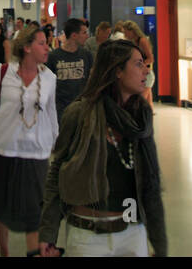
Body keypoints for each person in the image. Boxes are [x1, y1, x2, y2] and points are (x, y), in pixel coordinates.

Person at [39, 40, 166, 256]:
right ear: (118, 71)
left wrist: (159, 244)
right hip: (87, 235)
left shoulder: (141, 118)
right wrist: (48, 233)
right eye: (138, 64)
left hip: (132, 231)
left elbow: (151, 185)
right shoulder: (79, 113)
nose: (146, 70)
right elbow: (56, 175)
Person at [0, 25, 59, 256]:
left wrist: (57, 145)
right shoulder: (3, 71)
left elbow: (51, 114)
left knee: (35, 213)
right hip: (1, 148)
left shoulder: (49, 78)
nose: (47, 47)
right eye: (41, 43)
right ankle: (4, 250)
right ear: (26, 47)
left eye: (47, 43)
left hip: (35, 153)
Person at [46, 18, 93, 123]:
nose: (87, 36)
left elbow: (91, 78)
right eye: (84, 33)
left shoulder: (86, 55)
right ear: (74, 35)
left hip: (81, 108)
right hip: (60, 110)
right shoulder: (53, 57)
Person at [115, 21, 154, 109]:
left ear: (132, 31)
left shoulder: (142, 40)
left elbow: (150, 58)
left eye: (126, 32)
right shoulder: (134, 42)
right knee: (148, 102)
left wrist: (139, 65)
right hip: (143, 74)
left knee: (140, 101)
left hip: (147, 74)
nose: (125, 34)